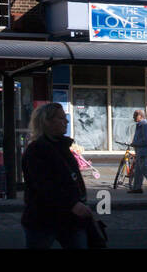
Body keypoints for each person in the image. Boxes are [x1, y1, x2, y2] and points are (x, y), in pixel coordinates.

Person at [21, 102, 93, 249]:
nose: (66, 121)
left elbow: (73, 178)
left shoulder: (63, 147)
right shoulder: (36, 150)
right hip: (44, 218)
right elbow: (43, 185)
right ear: (47, 122)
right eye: (60, 118)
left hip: (71, 220)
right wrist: (72, 204)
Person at [128, 109, 147, 193]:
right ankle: (137, 188)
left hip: (142, 151)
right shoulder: (139, 125)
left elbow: (145, 140)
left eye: (135, 115)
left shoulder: (144, 125)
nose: (133, 117)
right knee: (138, 170)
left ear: (140, 116)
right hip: (139, 151)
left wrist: (135, 143)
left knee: (145, 169)